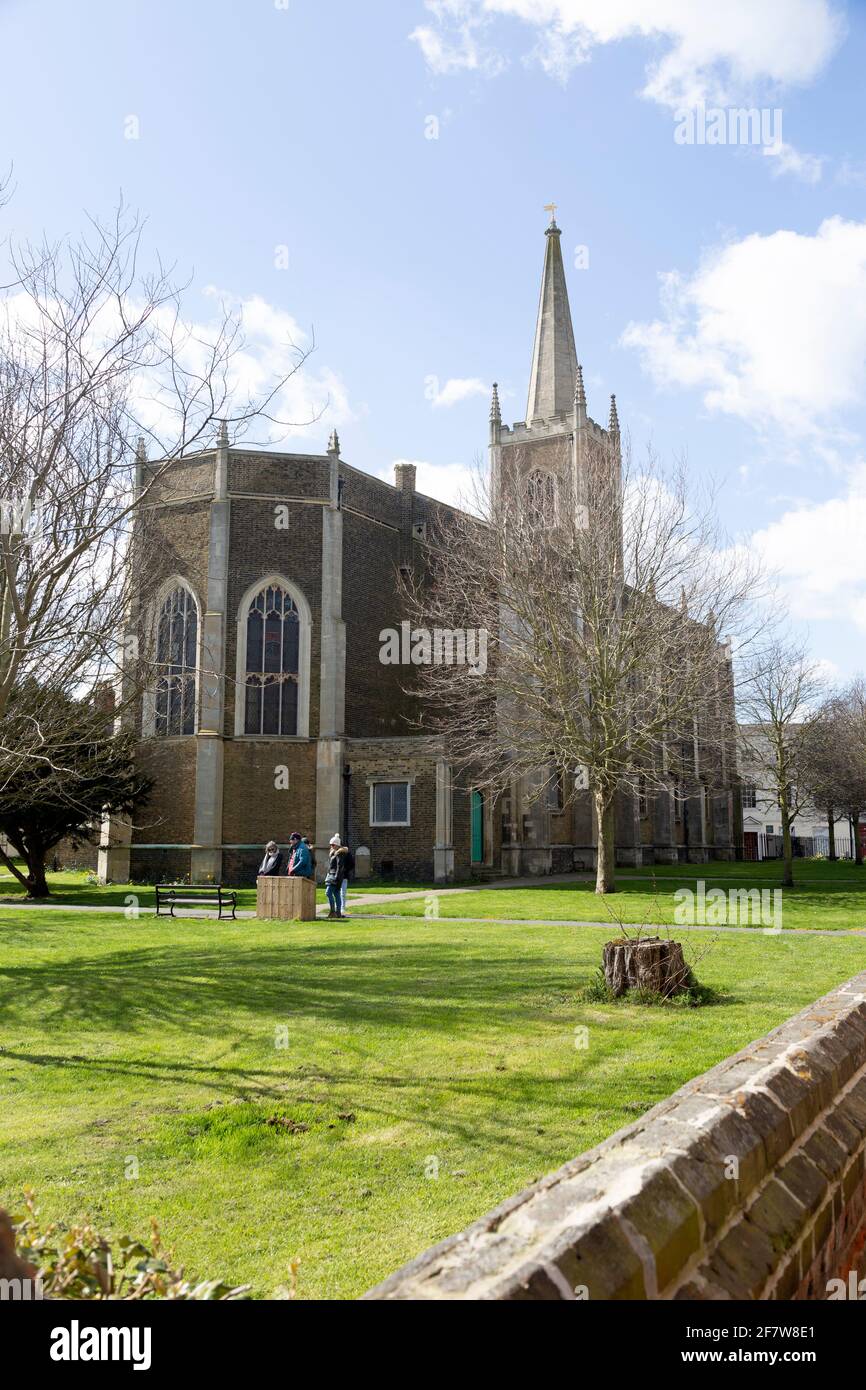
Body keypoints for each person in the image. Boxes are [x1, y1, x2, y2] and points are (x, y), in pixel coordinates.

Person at [324, 833, 347, 919]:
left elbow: (339, 867)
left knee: (328, 893)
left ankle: (333, 911)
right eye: (331, 844)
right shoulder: (333, 853)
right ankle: (337, 913)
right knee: (336, 894)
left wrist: (336, 878)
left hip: (334, 877)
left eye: (333, 844)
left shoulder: (339, 854)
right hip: (331, 875)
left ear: (337, 845)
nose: (331, 846)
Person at [338, 841, 354, 916]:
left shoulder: (347, 854)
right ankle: (339, 908)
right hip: (339, 875)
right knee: (339, 892)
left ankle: (342, 908)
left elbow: (352, 864)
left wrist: (345, 869)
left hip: (343, 875)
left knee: (342, 893)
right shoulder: (336, 853)